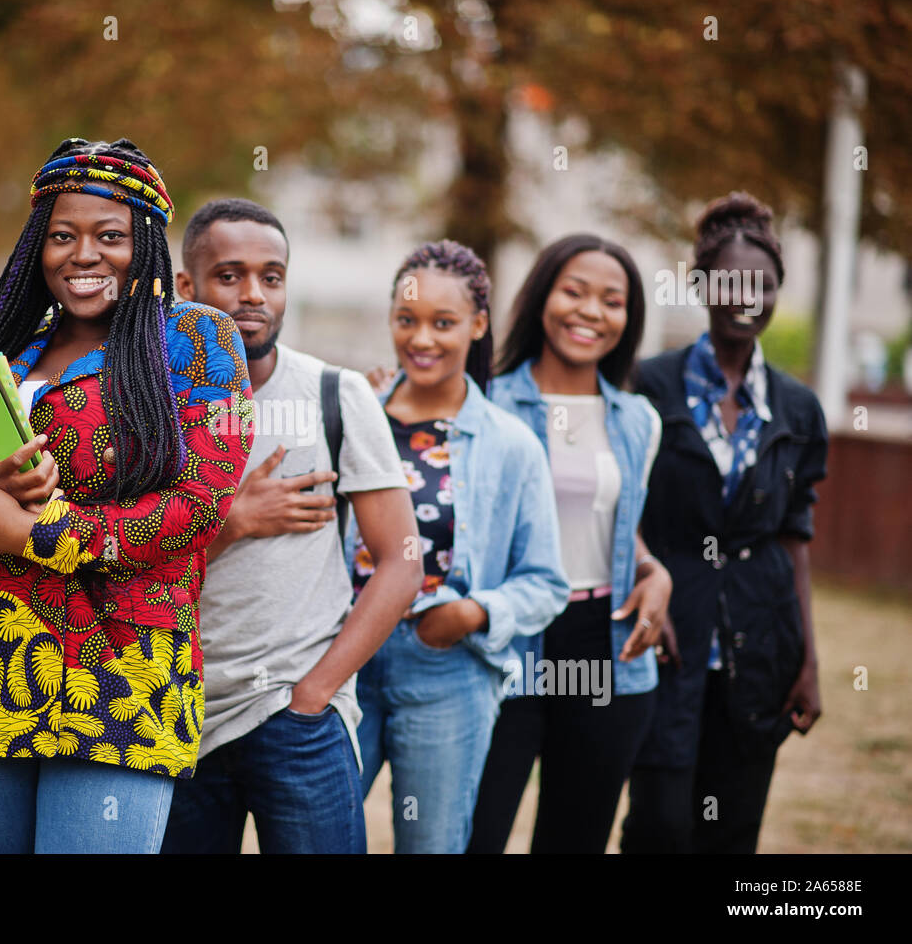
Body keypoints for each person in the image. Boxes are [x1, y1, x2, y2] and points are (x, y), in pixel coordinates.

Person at [0, 138, 254, 854]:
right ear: (37, 247)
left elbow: (195, 508)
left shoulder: (199, 341)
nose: (82, 254)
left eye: (109, 236)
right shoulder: (3, 353)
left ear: (143, 244)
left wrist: (30, 533)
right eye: (62, 235)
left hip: (122, 679)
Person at [160, 199, 421, 854]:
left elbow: (403, 557)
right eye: (229, 275)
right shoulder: (150, 408)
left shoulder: (336, 393)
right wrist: (235, 520)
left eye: (271, 276)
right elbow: (131, 561)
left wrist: (318, 690)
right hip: (177, 708)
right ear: (186, 287)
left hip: (296, 717)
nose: (253, 294)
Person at [620, 191, 827, 854]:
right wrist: (650, 581)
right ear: (703, 284)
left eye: (762, 284)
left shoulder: (799, 408)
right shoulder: (648, 385)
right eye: (731, 280)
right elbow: (619, 504)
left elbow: (795, 537)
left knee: (730, 831)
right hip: (666, 638)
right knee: (659, 825)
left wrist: (810, 661)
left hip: (760, 645)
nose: (746, 296)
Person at [349, 239, 570, 854]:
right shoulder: (352, 416)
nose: (422, 339)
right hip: (345, 660)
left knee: (433, 844)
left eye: (443, 323)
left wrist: (471, 614)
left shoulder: (511, 444)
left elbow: (546, 580)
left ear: (477, 325)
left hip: (447, 670)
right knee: (314, 835)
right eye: (407, 320)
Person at [469, 235, 671, 854]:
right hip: (506, 638)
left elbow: (611, 517)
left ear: (628, 319)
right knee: (474, 835)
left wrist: (651, 568)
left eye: (612, 301)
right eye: (574, 292)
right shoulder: (486, 400)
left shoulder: (637, 418)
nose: (590, 312)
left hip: (603, 638)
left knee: (575, 840)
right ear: (542, 298)